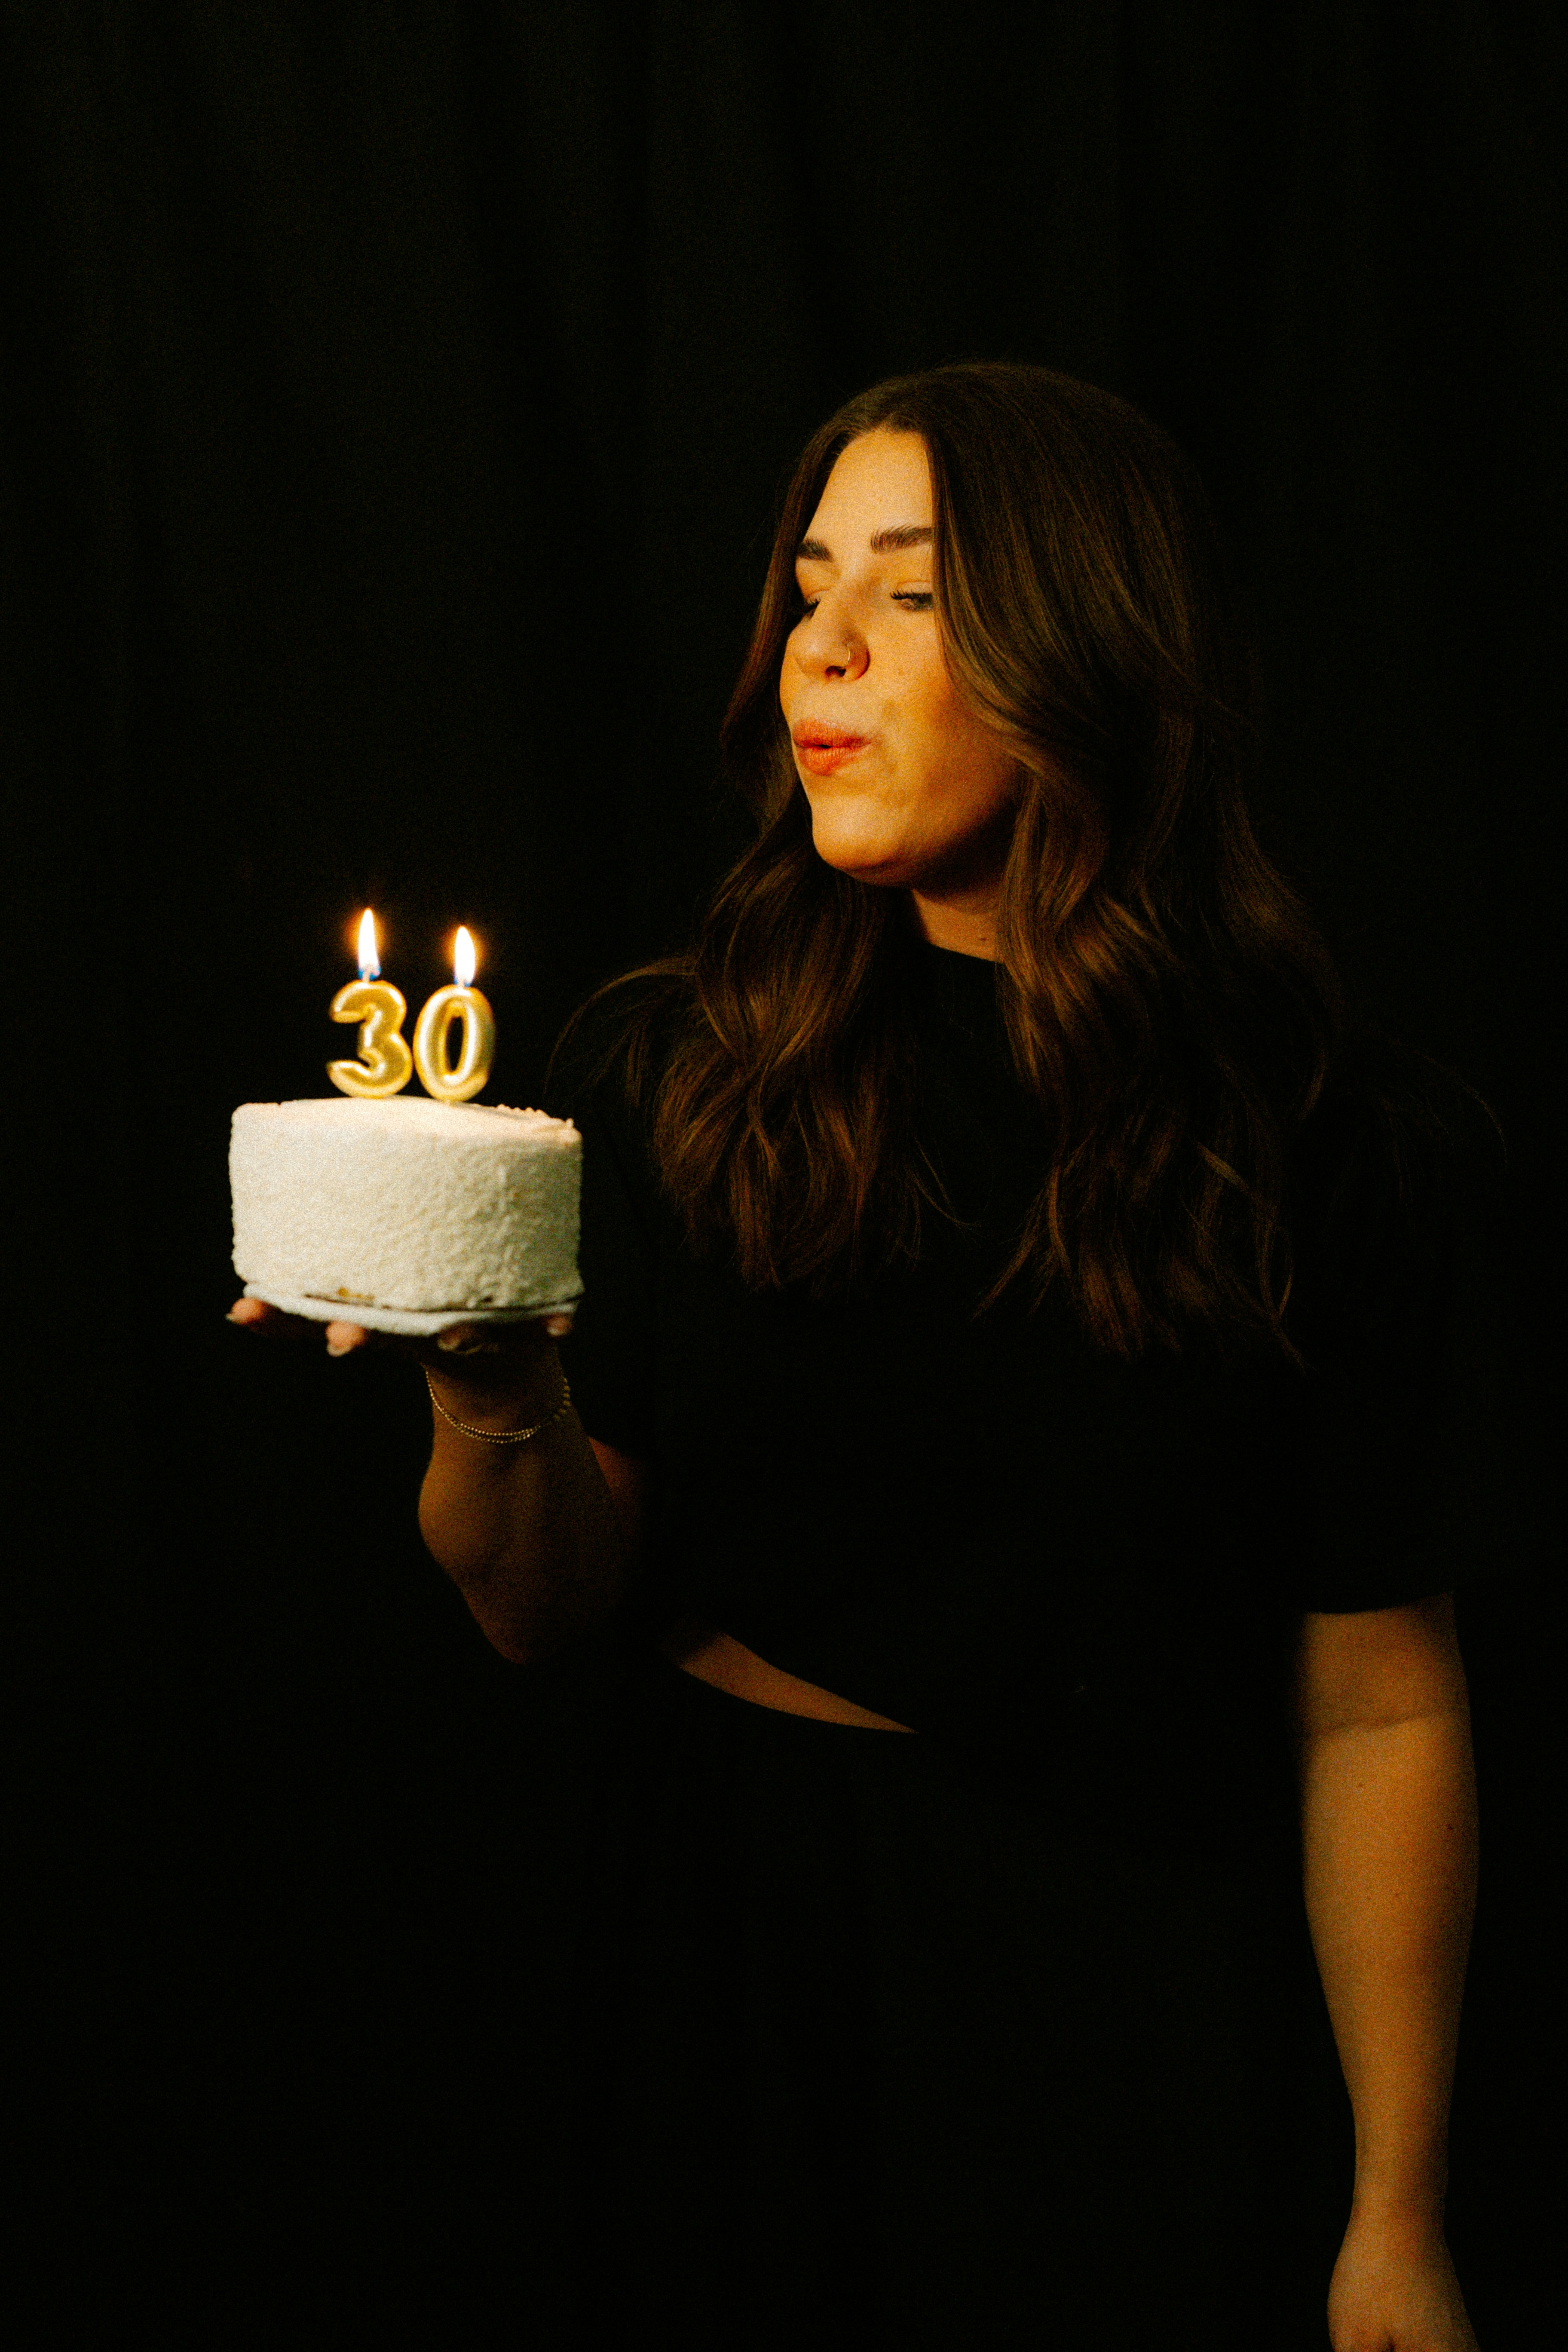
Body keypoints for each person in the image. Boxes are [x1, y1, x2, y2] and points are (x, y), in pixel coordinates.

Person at [232, 363, 1491, 2349]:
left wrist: (1397, 2212)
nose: (818, 645)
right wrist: (490, 1392)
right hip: (725, 1968)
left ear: (1088, 635)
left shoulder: (1339, 1135)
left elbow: (1378, 1704)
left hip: (1126, 2009)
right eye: (808, 581)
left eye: (909, 593)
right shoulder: (675, 1066)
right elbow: (541, 1606)